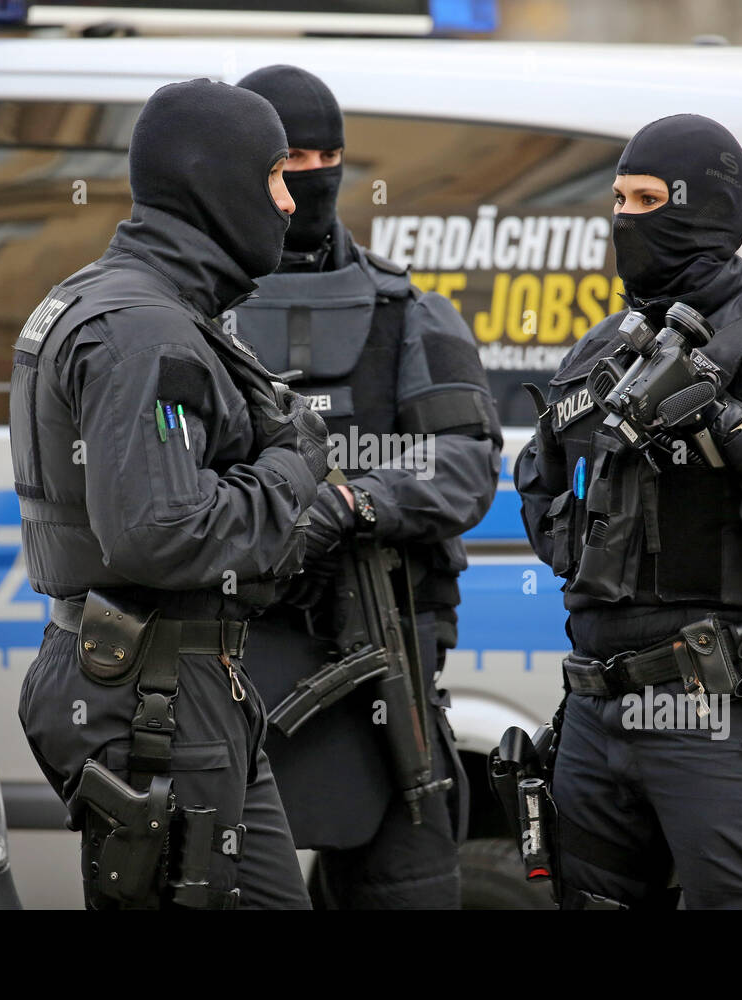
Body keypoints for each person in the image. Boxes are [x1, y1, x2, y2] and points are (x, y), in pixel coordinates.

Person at [514, 114, 742, 909]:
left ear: (706, 209)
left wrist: (729, 427)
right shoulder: (601, 349)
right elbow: (541, 487)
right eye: (617, 197)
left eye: (648, 198)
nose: (624, 220)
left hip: (724, 721)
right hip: (598, 713)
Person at [11, 79, 332, 910]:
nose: (290, 202)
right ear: (211, 180)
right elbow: (161, 534)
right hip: (155, 697)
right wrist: (294, 465)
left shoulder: (137, 304)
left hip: (182, 684)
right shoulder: (143, 329)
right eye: (273, 176)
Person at [230, 65, 502, 909]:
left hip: (387, 672)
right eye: (291, 157)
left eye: (329, 154)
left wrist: (354, 504)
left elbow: (465, 462)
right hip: (227, 665)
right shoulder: (190, 318)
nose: (314, 174)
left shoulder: (412, 313)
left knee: (406, 888)